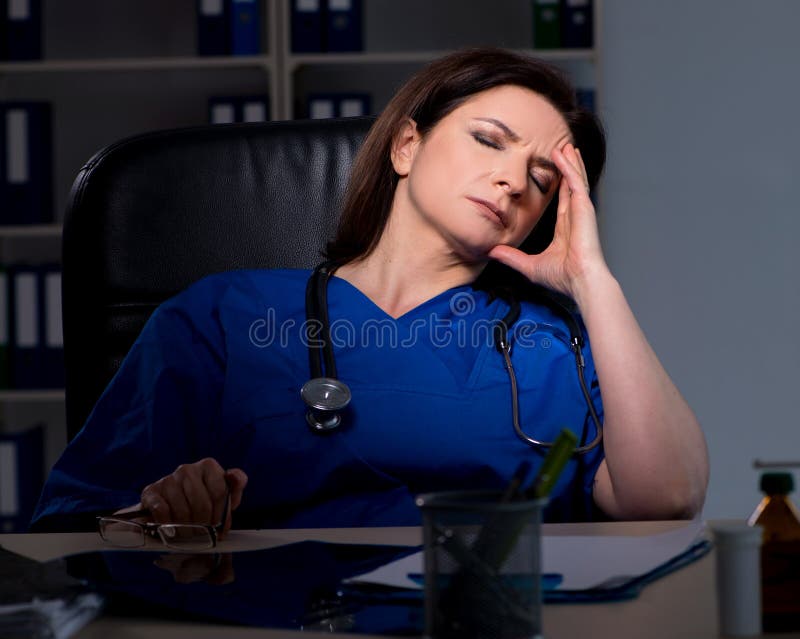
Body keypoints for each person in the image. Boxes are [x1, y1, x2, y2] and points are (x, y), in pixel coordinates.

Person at [31, 48, 709, 534]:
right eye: (488, 140)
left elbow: (667, 497)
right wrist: (163, 514)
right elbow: (74, 528)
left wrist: (592, 279)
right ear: (406, 145)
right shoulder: (223, 318)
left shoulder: (550, 344)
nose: (511, 179)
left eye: (540, 179)